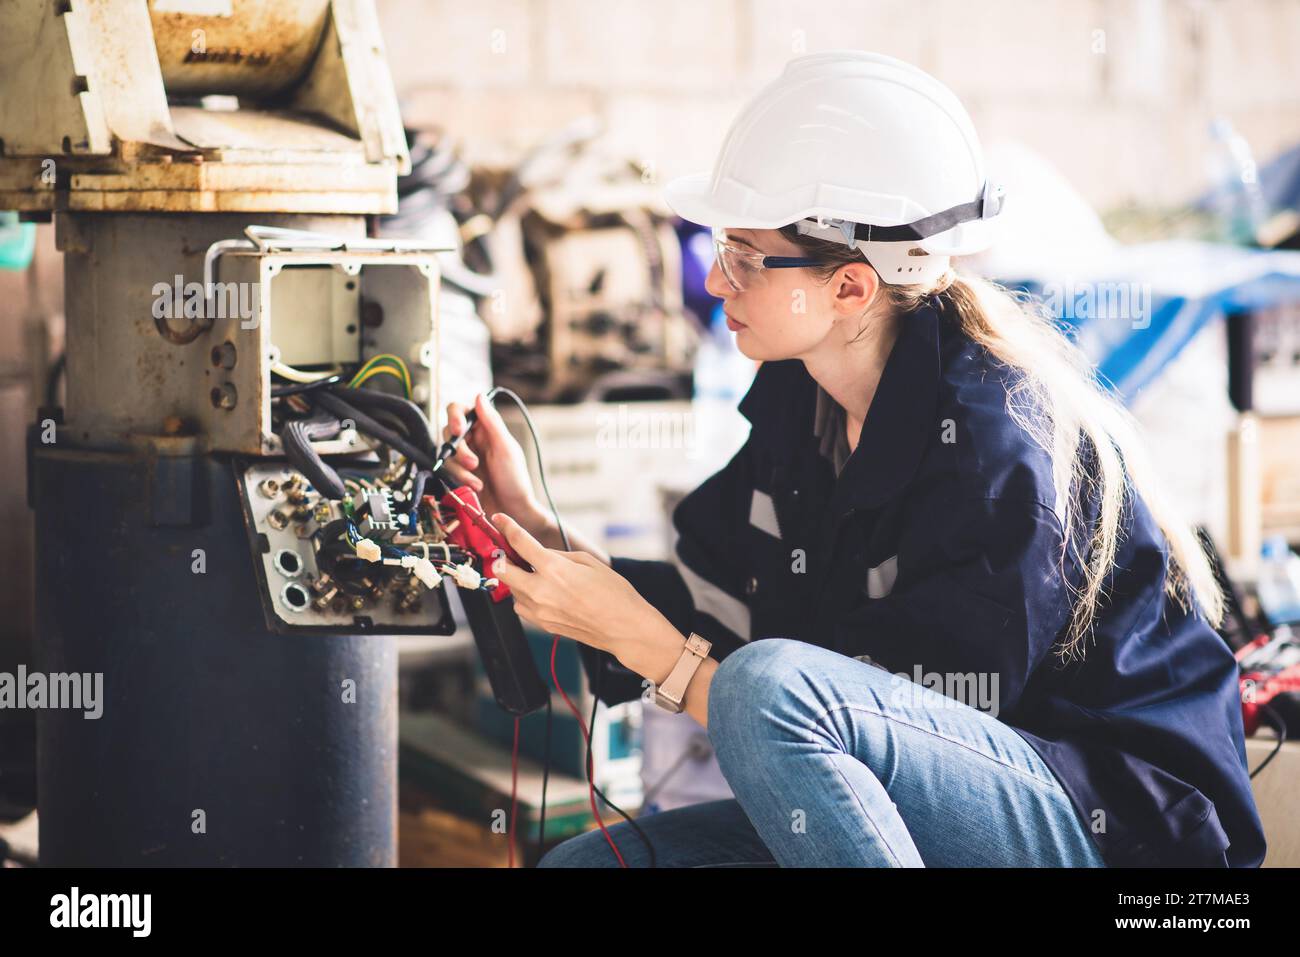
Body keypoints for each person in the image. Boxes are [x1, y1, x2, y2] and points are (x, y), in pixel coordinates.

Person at [440, 51, 1266, 868]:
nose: (717, 284)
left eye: (745, 258)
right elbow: (718, 599)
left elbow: (892, 726)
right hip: (933, 814)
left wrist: (665, 657)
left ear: (850, 289)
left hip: (1122, 835)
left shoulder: (991, 446)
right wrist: (536, 531)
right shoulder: (805, 407)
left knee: (768, 688)